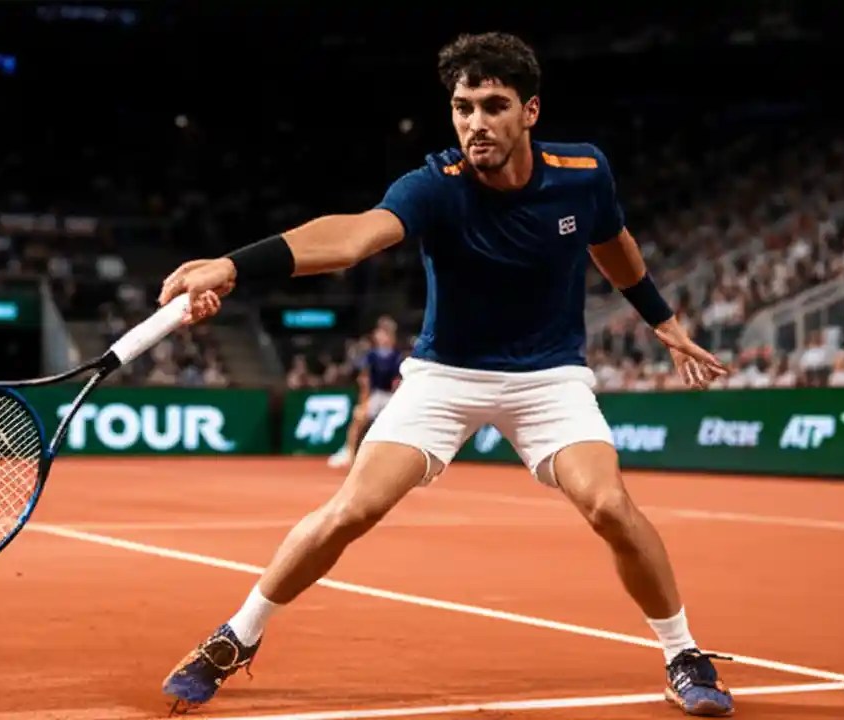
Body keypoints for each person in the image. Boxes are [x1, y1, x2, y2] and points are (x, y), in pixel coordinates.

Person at [156, 32, 735, 718]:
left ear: (531, 112)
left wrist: (660, 319)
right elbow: (348, 240)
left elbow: (612, 243)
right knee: (353, 509)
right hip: (445, 376)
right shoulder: (435, 186)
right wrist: (231, 265)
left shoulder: (584, 172)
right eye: (463, 107)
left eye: (493, 106)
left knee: (609, 505)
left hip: (548, 379)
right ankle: (237, 635)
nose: (475, 123)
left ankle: (682, 653)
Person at [327, 321, 403, 469]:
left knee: (398, 427)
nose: (382, 337)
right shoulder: (371, 355)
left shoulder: (397, 355)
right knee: (358, 420)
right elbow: (364, 378)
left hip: (390, 397)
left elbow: (398, 379)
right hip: (375, 395)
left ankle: (398, 460)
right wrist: (365, 400)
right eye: (379, 333)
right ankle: (348, 452)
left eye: (385, 334)